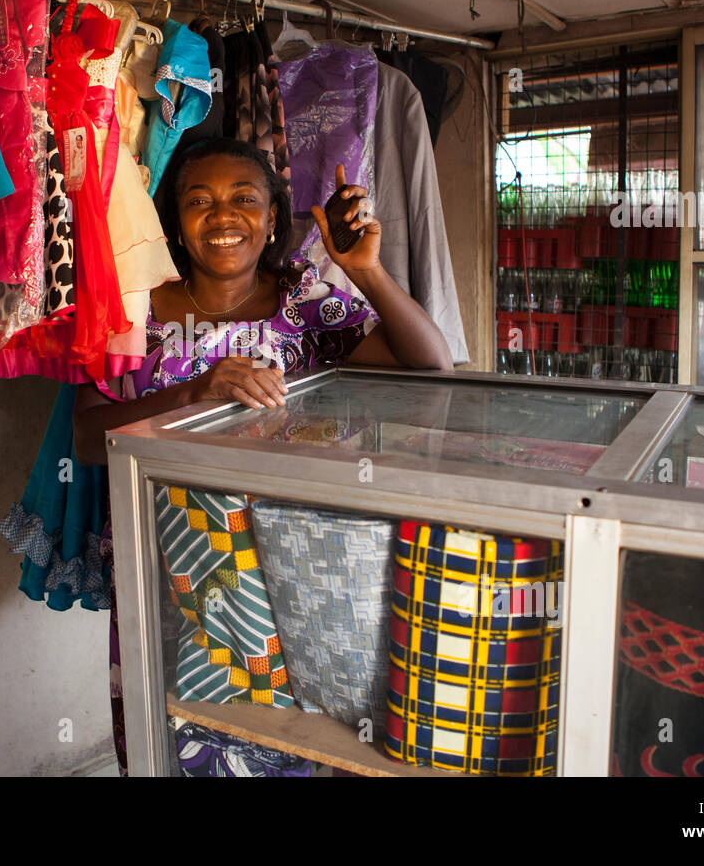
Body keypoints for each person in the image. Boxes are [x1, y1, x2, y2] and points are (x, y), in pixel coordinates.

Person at [68, 137, 453, 775]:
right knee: (167, 738)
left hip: (286, 578)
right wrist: (194, 391)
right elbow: (86, 437)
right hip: (163, 576)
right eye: (200, 201)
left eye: (244, 199)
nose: (223, 216)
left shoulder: (302, 306)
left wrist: (364, 272)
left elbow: (430, 363)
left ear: (273, 218)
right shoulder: (135, 312)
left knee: (287, 745)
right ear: (177, 222)